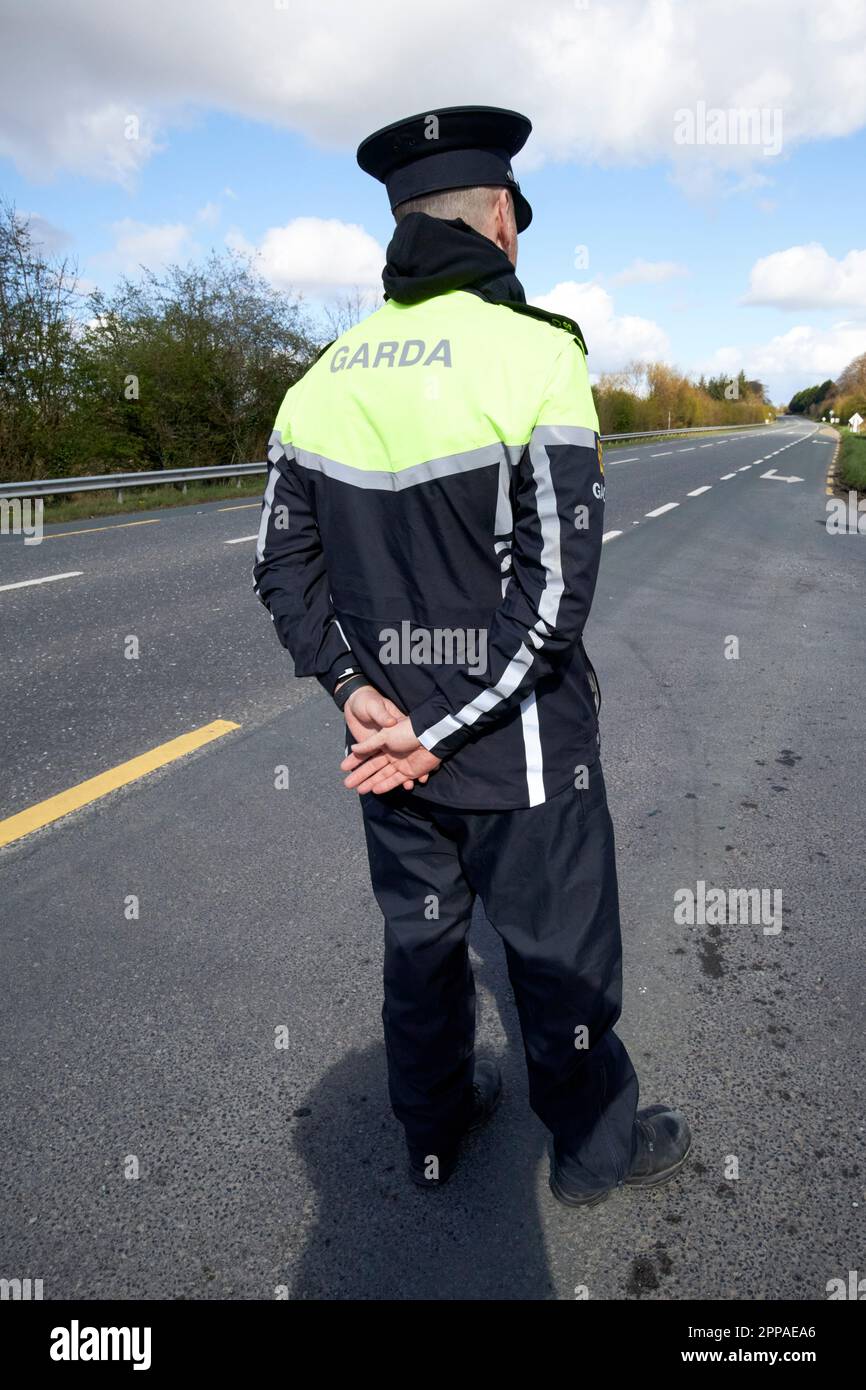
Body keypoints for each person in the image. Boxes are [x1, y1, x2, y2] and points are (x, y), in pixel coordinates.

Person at [253, 105, 691, 1206]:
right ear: (500, 220)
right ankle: (594, 1155)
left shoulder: (320, 380)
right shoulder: (538, 352)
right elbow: (551, 599)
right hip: (519, 757)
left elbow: (278, 569)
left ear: (399, 223)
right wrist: (435, 734)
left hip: (383, 754)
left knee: (422, 949)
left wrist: (357, 695)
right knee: (560, 960)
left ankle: (435, 1130)